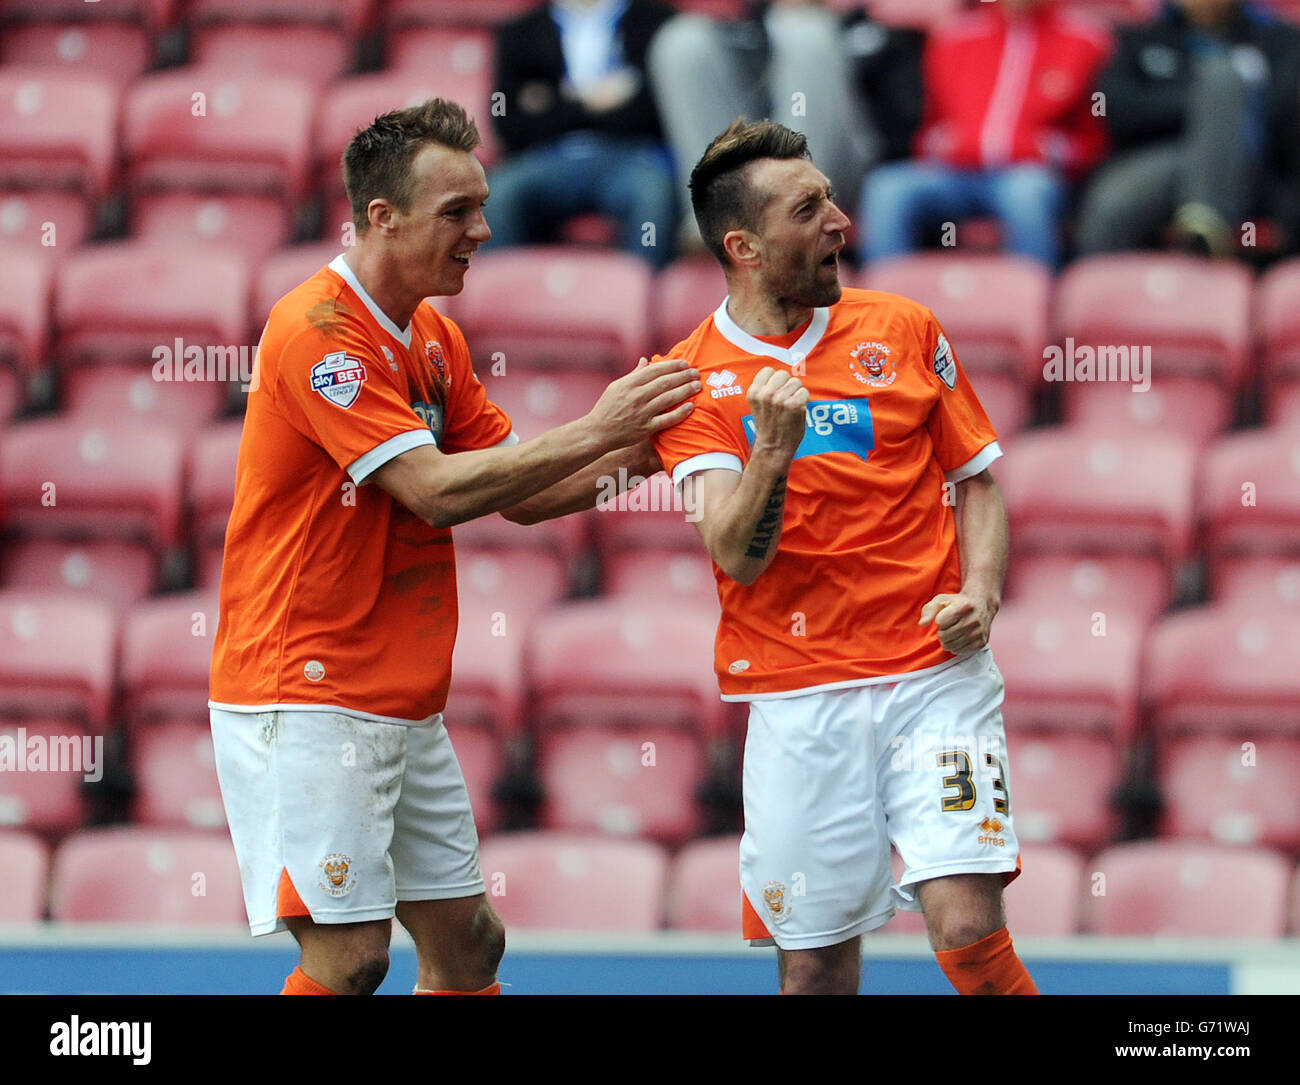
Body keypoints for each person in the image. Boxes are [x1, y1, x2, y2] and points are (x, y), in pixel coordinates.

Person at [207, 99, 699, 995]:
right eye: (457, 212)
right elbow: (433, 491)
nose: (482, 227)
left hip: (396, 692)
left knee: (469, 943)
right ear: (381, 218)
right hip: (307, 685)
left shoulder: (433, 337)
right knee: (349, 960)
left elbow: (525, 495)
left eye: (480, 205)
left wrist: (654, 447)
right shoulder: (320, 332)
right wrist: (597, 425)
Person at [649, 118, 1036, 995]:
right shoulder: (691, 380)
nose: (841, 222)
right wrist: (773, 453)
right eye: (809, 208)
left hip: (933, 670)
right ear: (743, 246)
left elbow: (976, 480)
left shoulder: (903, 328)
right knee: (816, 967)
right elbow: (736, 556)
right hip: (795, 692)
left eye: (829, 198)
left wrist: (982, 590)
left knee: (967, 922)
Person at [858, 0, 1110, 267]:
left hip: (1030, 174)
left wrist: (1045, 150)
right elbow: (931, 123)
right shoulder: (955, 36)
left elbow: (1095, 134)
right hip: (954, 174)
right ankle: (883, 304)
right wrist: (950, 146)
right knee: (887, 188)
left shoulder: (1087, 39)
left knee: (1025, 195)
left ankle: (1031, 302)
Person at [1074, 0, 1300, 259]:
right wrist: (1208, 105)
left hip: (1254, 165)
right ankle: (1097, 291)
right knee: (1112, 202)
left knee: (1224, 77)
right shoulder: (1140, 39)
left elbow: (1285, 114)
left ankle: (1205, 218)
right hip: (1164, 158)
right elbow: (1115, 109)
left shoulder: (1279, 40)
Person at [648, 0, 876, 252]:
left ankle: (797, 207)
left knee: (805, 33)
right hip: (753, 154)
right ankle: (721, 211)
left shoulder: (868, 27)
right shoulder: (747, 23)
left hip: (844, 161)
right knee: (683, 42)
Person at [487, 0, 679, 267]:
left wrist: (553, 102)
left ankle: (642, 295)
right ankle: (498, 299)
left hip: (634, 156)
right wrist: (594, 102)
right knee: (497, 196)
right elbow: (505, 120)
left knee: (654, 199)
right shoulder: (520, 31)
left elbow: (660, 113)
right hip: (547, 158)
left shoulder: (657, 22)